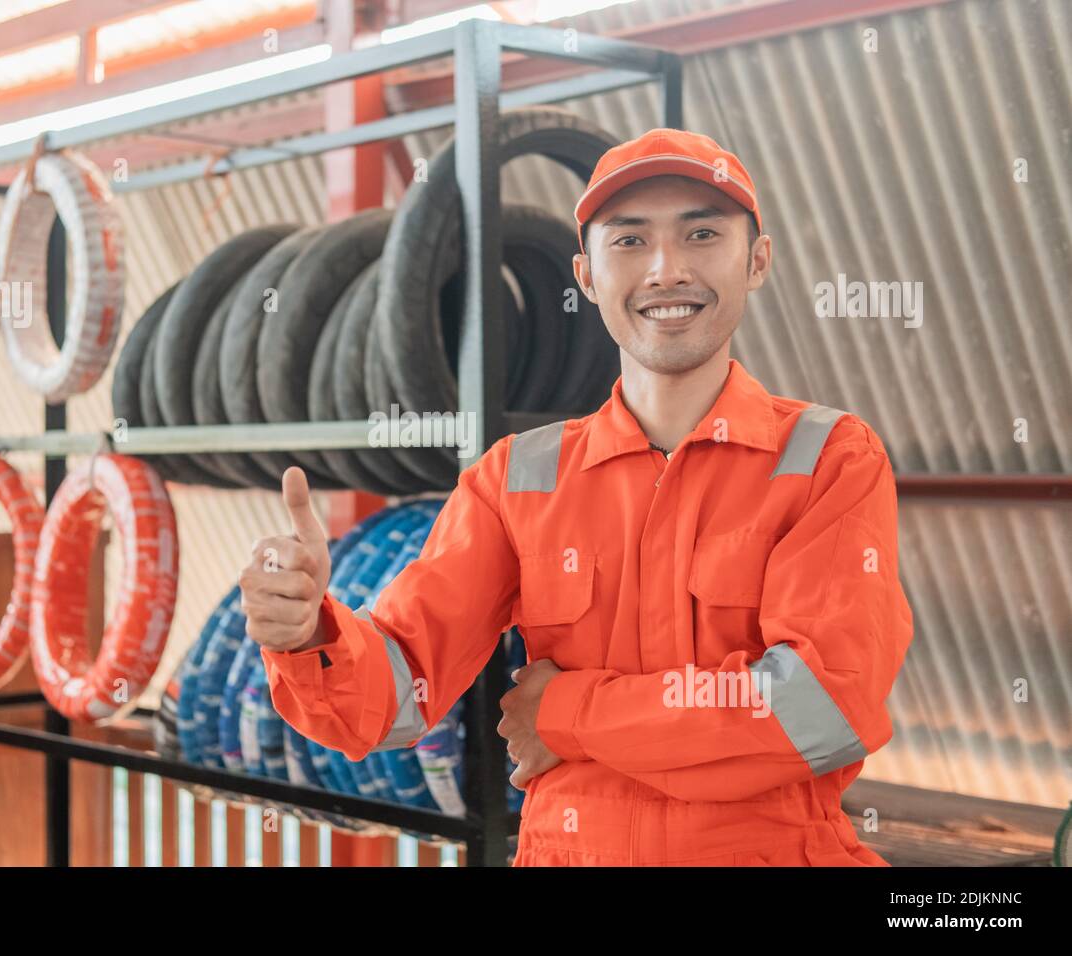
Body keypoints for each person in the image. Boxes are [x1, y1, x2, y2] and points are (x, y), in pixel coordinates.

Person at [239, 128, 914, 867]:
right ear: (586, 274)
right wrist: (308, 637)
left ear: (756, 261)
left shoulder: (828, 459)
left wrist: (563, 711)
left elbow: (821, 707)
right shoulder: (517, 478)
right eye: (629, 241)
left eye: (701, 233)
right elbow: (397, 691)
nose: (666, 269)